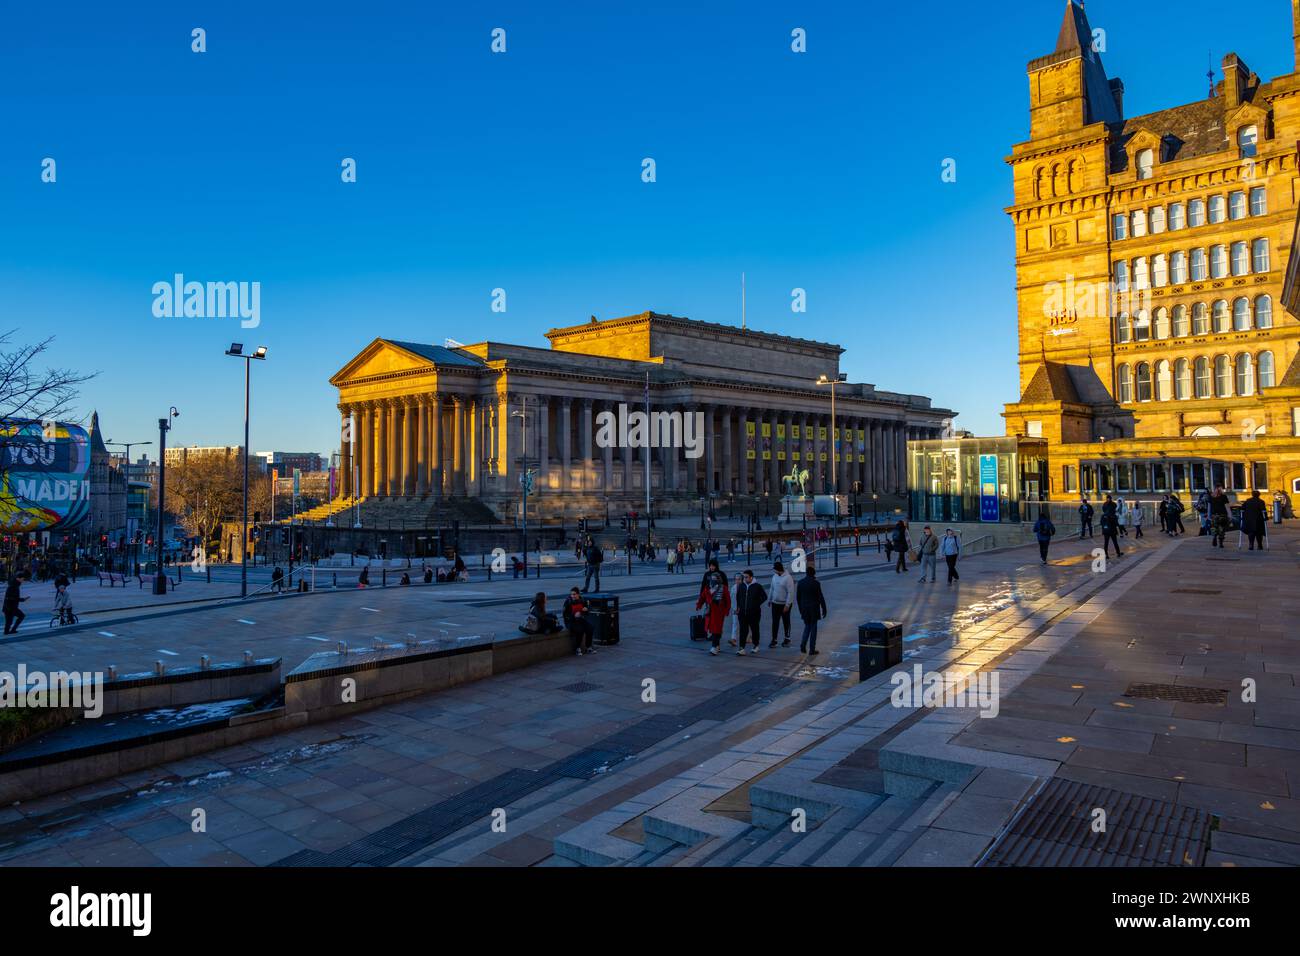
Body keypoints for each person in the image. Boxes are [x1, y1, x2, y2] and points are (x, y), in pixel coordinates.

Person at [696, 560, 732, 657]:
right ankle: (717, 645)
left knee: (716, 628)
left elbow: (728, 600)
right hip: (710, 610)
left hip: (719, 611)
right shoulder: (707, 587)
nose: (713, 580)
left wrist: (727, 610)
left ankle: (714, 646)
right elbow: (703, 596)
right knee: (712, 628)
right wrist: (699, 604)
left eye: (715, 579)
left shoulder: (723, 588)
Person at [795, 565, 828, 655]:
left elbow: (798, 598)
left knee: (807, 626)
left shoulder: (800, 582)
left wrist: (800, 609)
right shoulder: (816, 583)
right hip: (814, 609)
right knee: (813, 628)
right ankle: (812, 649)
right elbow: (820, 597)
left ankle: (803, 644)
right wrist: (824, 609)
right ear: (814, 574)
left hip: (804, 609)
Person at [735, 569, 766, 656]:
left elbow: (764, 597)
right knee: (743, 630)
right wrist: (738, 607)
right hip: (742, 613)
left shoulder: (757, 586)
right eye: (744, 577)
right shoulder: (741, 586)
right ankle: (742, 648)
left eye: (746, 577)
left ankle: (756, 645)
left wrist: (755, 604)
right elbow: (738, 597)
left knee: (754, 629)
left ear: (751, 577)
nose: (745, 579)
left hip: (754, 613)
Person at [768, 560, 795, 647]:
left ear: (778, 569)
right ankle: (774, 639)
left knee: (786, 621)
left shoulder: (788, 578)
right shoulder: (774, 576)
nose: (774, 571)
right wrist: (769, 599)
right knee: (775, 622)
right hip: (775, 603)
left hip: (784, 604)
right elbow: (772, 588)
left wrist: (787, 605)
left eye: (774, 569)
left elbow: (790, 592)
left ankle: (787, 638)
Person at [563, 587, 594, 655]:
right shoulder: (568, 602)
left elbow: (587, 611)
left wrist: (586, 609)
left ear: (578, 594)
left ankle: (588, 647)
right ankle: (578, 648)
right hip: (570, 622)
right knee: (580, 629)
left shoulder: (582, 600)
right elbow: (565, 615)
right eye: (571, 594)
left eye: (574, 594)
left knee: (590, 628)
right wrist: (573, 615)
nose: (572, 596)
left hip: (580, 619)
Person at [1100, 494, 1123, 558]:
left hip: (1106, 531)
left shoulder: (1103, 516)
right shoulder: (1114, 516)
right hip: (1112, 530)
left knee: (1106, 543)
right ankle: (1118, 553)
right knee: (1115, 542)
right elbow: (1117, 524)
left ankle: (1106, 554)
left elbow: (1101, 523)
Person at [728, 571, 744, 648]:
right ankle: (733, 639)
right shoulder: (733, 588)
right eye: (736, 579)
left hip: (743, 610)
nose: (737, 581)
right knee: (734, 624)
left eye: (739, 579)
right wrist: (734, 608)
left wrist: (740, 608)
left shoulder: (744, 587)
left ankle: (748, 637)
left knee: (744, 625)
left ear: (742, 580)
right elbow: (732, 599)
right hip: (735, 609)